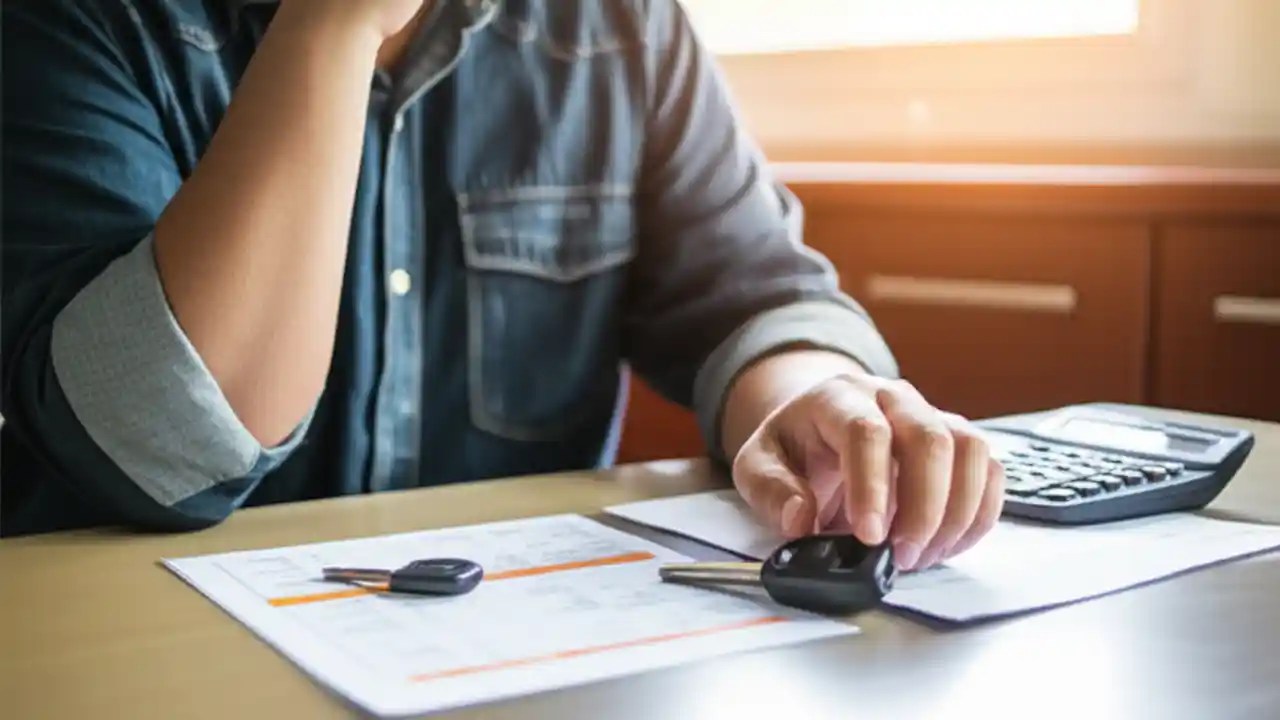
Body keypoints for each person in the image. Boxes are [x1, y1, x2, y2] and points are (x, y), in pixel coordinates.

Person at [0, 0, 1003, 571]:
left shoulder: (619, 25)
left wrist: (809, 392)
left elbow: (749, 293)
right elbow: (155, 444)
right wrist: (332, 23)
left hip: (503, 660)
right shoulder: (76, 22)